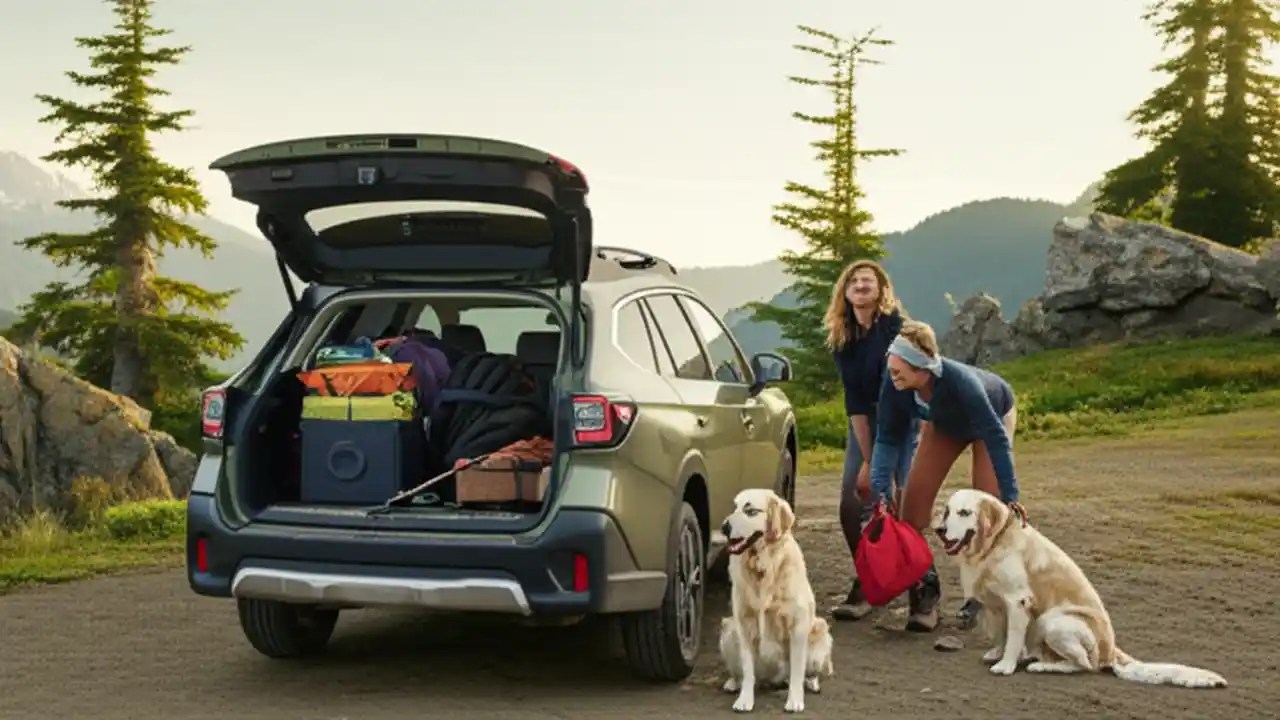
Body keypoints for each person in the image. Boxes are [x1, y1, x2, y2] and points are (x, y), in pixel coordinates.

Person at [865, 319, 1027, 632]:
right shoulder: (896, 384)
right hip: (945, 424)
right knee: (911, 512)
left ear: (921, 368)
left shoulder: (962, 383)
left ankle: (982, 598)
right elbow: (887, 438)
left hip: (990, 420)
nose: (892, 374)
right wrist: (880, 490)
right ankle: (925, 594)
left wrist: (1011, 495)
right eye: (891, 368)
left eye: (899, 369)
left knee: (987, 515)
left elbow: (995, 437)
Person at [826, 260, 922, 622]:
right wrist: (867, 459)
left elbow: (897, 396)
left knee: (902, 507)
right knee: (853, 506)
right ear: (845, 292)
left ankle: (922, 593)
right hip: (865, 424)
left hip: (901, 422)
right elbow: (854, 402)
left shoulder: (896, 330)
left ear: (882, 290)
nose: (860, 283)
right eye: (853, 279)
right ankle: (870, 580)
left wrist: (879, 464)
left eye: (868, 279)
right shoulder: (842, 337)